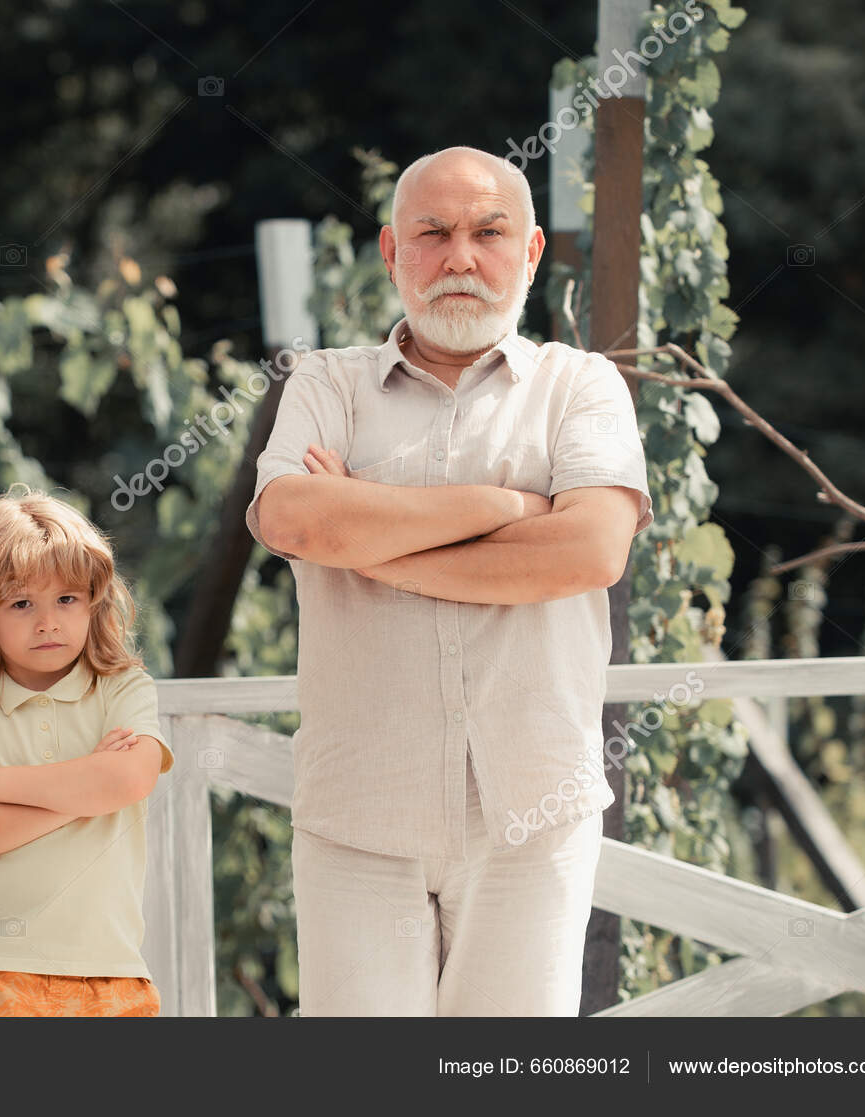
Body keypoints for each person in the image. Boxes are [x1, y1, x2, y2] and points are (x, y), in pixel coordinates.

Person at [247, 146, 653, 1016]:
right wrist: (506, 505)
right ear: (393, 254)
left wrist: (368, 532)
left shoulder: (581, 386)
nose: (459, 258)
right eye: (431, 233)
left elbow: (586, 552)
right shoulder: (325, 381)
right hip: (358, 813)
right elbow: (293, 520)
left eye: (488, 232)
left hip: (531, 814)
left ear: (533, 253)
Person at [0, 489, 173, 1017]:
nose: (48, 622)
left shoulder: (123, 689)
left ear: (93, 602)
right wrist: (87, 787)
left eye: (66, 599)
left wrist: (2, 787)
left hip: (112, 976)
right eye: (22, 603)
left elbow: (130, 780)